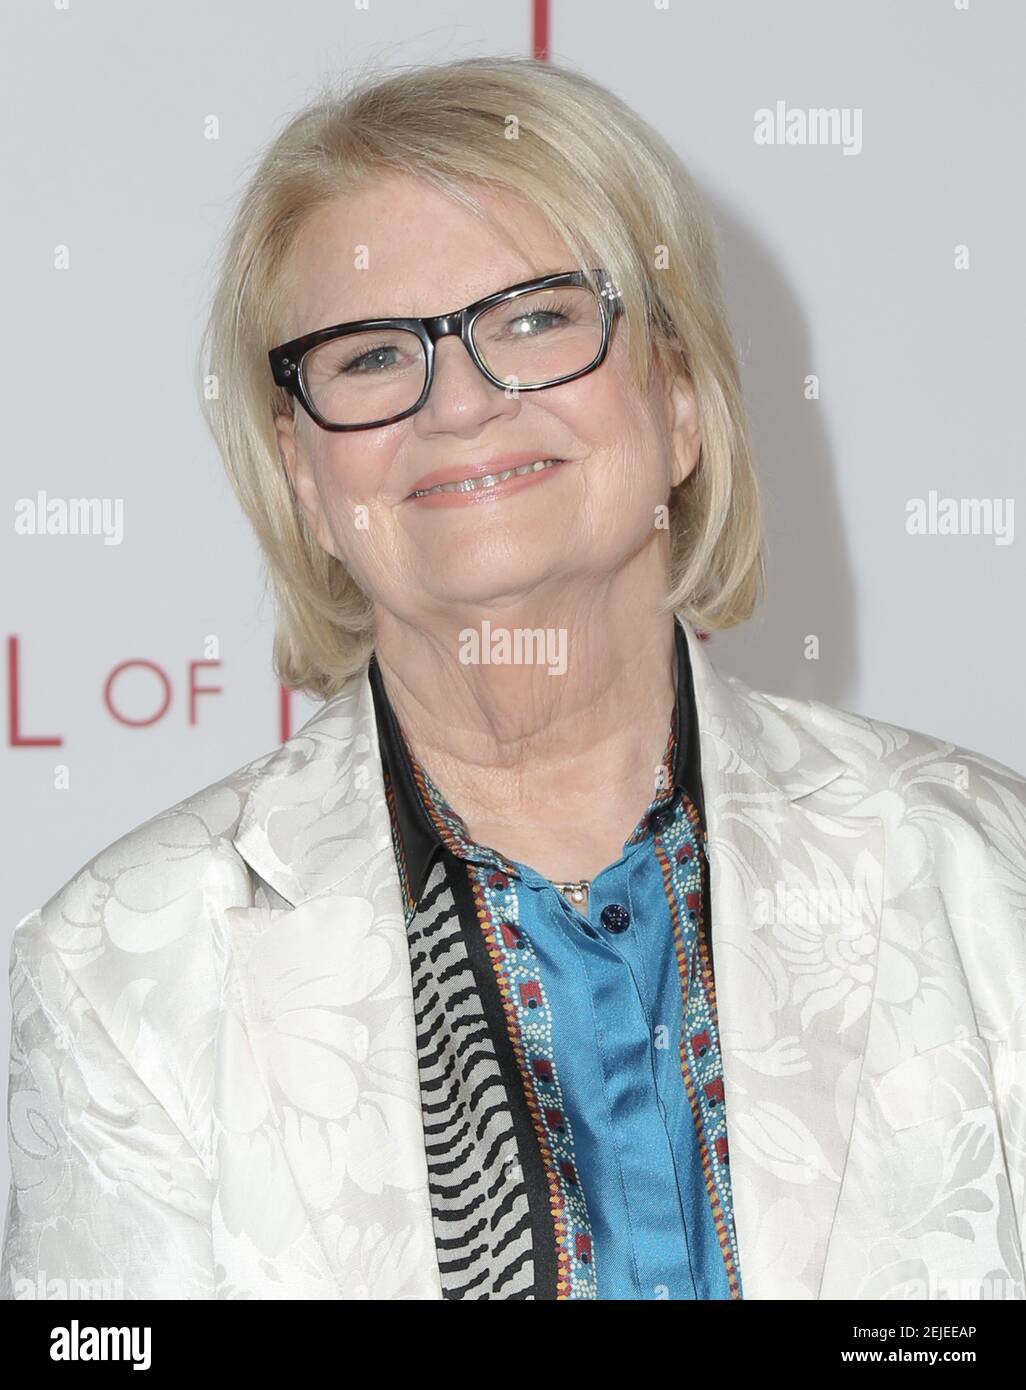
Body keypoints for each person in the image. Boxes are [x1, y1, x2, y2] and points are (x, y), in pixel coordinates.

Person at [2, 55, 1024, 1302]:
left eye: (537, 317)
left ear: (682, 396)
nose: (462, 403)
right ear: (308, 478)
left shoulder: (985, 875)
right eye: (372, 355)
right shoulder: (121, 974)